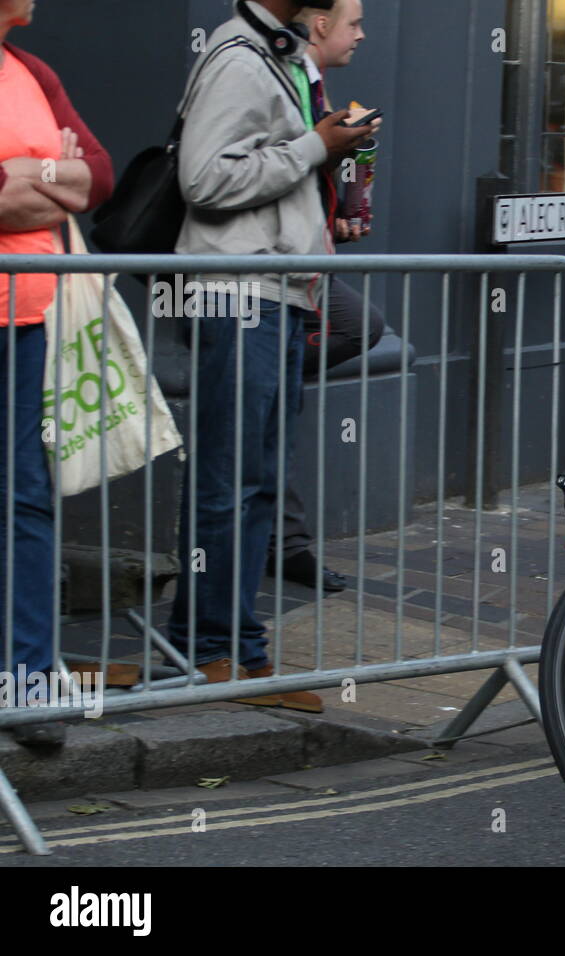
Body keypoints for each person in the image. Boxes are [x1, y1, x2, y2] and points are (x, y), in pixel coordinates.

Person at [166, 0, 377, 714]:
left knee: (256, 482)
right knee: (229, 482)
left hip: (276, 294)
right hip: (238, 292)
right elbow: (204, 180)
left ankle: (238, 648)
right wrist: (316, 147)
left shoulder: (276, 56)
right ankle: (206, 649)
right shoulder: (236, 56)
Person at [0, 0, 114, 748]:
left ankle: (29, 681)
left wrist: (27, 174)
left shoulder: (30, 70)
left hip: (26, 318)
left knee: (26, 499)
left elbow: (97, 176)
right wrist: (51, 176)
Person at [267, 0, 384, 592]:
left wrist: (343, 208)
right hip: (265, 274)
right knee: (273, 395)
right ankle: (281, 546)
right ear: (319, 25)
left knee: (283, 390)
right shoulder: (283, 75)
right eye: (354, 23)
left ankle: (284, 544)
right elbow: (274, 166)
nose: (362, 34)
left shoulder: (315, 88)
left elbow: (307, 171)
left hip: (299, 269)